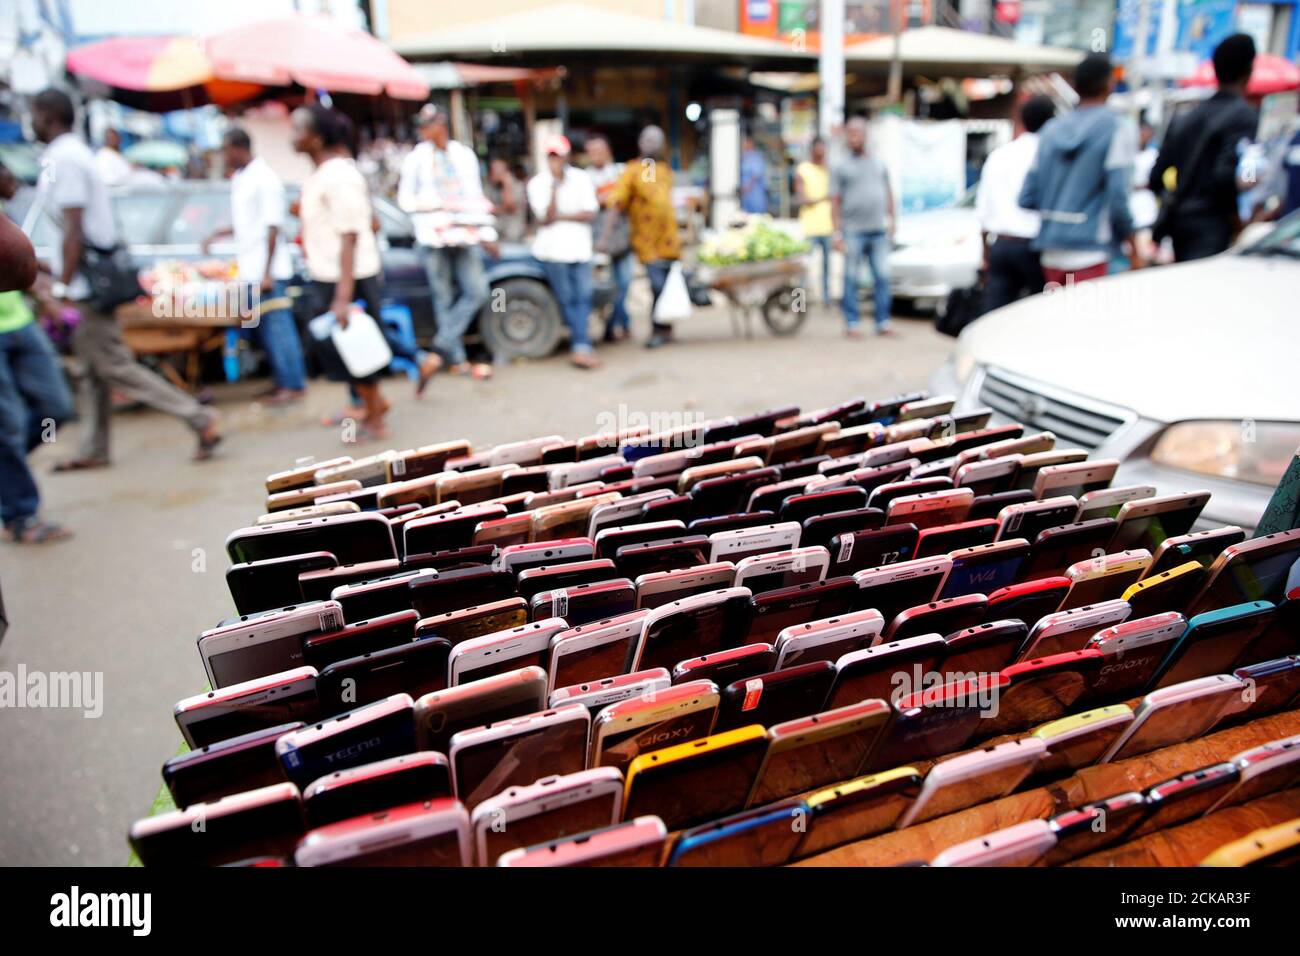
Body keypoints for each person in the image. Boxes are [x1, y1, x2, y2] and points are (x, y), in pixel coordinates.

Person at [30, 88, 221, 470]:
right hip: (85, 282)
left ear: (49, 116)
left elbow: (73, 228)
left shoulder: (65, 158)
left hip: (84, 285)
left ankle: (199, 418)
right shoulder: (71, 155)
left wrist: (63, 290)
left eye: (33, 115)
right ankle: (94, 448)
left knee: (114, 365)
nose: (29, 123)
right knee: (94, 369)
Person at [292, 104, 398, 442]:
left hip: (347, 278)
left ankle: (376, 418)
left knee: (357, 351)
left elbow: (350, 235)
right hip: (329, 274)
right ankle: (371, 406)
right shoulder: (321, 175)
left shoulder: (340, 175)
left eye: (298, 129)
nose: (292, 137)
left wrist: (342, 296)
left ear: (317, 137)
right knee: (346, 351)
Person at [1019, 53, 1143, 286]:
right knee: (1089, 321)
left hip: (1050, 253)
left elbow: (1027, 197)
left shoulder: (1050, 131)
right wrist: (1134, 248)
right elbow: (1119, 195)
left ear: (1075, 86)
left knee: (1059, 321)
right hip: (1094, 252)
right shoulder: (1116, 127)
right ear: (1109, 84)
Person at [203, 127, 306, 405]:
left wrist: (267, 273)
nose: (224, 156)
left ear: (238, 148)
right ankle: (281, 381)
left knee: (278, 329)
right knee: (263, 331)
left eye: (225, 150)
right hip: (250, 270)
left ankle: (294, 384)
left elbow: (274, 227)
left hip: (267, 272)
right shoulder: (242, 178)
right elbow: (247, 224)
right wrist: (218, 234)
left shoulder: (264, 178)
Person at [0, 162, 74, 543]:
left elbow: (22, 269)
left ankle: (8, 475)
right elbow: (17, 259)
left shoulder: (7, 214)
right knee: (7, 426)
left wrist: (48, 300)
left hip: (17, 323)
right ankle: (20, 514)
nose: (14, 181)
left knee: (56, 406)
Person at [398, 104, 494, 380]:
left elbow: (474, 195)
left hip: (465, 233)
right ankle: (456, 358)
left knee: (477, 290)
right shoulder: (416, 158)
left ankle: (440, 346)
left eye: (428, 124)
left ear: (441, 124)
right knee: (443, 297)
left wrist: (487, 233)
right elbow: (406, 200)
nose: (423, 130)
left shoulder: (463, 156)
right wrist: (435, 207)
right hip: (433, 236)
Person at [1149, 34, 1259, 262]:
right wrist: (1237, 221)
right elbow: (1224, 176)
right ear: (1248, 70)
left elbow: (1156, 176)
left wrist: (1175, 200)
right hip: (1211, 227)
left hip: (1178, 223)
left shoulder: (1186, 117)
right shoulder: (1243, 116)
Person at [604, 125, 682, 350]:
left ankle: (666, 329)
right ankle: (656, 329)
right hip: (647, 243)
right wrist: (605, 237)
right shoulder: (634, 170)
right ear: (640, 142)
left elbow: (662, 200)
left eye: (656, 140)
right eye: (647, 139)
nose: (651, 143)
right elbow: (617, 204)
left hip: (669, 240)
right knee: (656, 285)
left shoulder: (664, 170)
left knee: (667, 287)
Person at [975, 95, 1054, 314]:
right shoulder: (1050, 155)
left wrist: (985, 256)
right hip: (1036, 248)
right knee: (1042, 315)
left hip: (1002, 246)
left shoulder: (1000, 155)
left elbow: (983, 211)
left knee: (994, 318)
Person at [527, 134, 600, 370]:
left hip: (579, 248)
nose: (555, 160)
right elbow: (545, 218)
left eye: (558, 156)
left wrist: (561, 217)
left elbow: (590, 213)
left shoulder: (581, 179)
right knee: (566, 298)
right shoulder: (539, 184)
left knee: (584, 296)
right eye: (551, 156)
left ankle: (581, 343)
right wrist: (555, 189)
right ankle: (581, 343)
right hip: (553, 252)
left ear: (566, 156)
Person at [831, 116, 896, 337]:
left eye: (857, 133)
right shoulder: (841, 167)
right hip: (852, 231)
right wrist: (837, 233)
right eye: (850, 134)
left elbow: (888, 193)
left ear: (865, 135)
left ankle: (883, 322)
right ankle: (852, 323)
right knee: (851, 278)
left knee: (883, 277)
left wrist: (893, 221)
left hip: (878, 230)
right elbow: (835, 201)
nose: (854, 138)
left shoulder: (879, 162)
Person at [585, 133, 633, 342]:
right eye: (592, 152)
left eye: (600, 151)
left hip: (622, 239)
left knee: (625, 283)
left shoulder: (620, 171)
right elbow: (591, 204)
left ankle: (617, 322)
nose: (597, 155)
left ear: (608, 152)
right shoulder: (584, 177)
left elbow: (624, 200)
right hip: (598, 242)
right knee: (610, 287)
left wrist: (606, 198)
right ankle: (617, 324)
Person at [795, 136, 834, 305]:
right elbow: (803, 199)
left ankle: (826, 300)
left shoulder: (829, 170)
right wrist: (824, 198)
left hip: (828, 226)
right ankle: (799, 302)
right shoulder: (803, 169)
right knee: (803, 267)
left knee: (827, 269)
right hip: (810, 226)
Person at [487, 157, 527, 244]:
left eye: (496, 171)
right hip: (497, 236)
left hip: (513, 236)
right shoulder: (491, 188)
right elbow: (486, 208)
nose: (493, 173)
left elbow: (510, 206)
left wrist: (506, 182)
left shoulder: (518, 186)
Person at [740, 134, 769, 215]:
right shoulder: (743, 156)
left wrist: (746, 188)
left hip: (754, 194)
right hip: (745, 196)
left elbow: (756, 176)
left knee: (757, 216)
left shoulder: (756, 157)